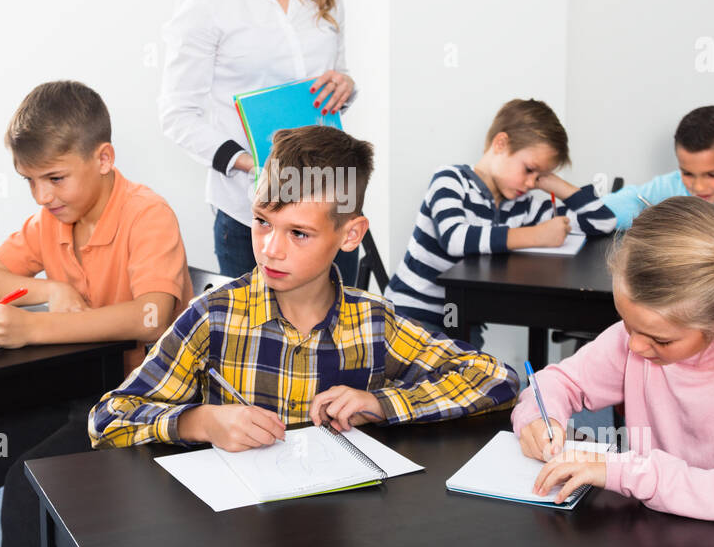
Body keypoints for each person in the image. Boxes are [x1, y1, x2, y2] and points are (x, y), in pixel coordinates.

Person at [89, 125, 518, 451]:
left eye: (299, 233)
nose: (270, 249)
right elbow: (107, 419)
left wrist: (382, 404)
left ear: (350, 236)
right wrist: (200, 422)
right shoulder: (213, 316)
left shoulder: (373, 320)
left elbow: (496, 379)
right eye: (262, 222)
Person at [0, 80, 193, 547]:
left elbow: (150, 317)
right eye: (29, 180)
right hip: (74, 391)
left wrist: (34, 325)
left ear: (103, 159)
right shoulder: (50, 219)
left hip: (138, 404)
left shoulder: (148, 214)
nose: (41, 196)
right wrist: (48, 287)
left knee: (27, 484)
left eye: (54, 178)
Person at [513, 197, 714, 547]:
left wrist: (631, 473)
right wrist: (540, 416)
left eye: (660, 339)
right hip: (649, 530)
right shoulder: (634, 340)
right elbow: (558, 382)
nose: (636, 347)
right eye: (628, 324)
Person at [159, 0, 358, 282]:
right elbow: (177, 116)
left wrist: (345, 84)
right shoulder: (208, 2)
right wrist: (252, 162)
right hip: (252, 215)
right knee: (260, 348)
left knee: (339, 345)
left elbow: (338, 77)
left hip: (330, 206)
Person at [384, 99, 616, 337]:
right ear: (501, 144)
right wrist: (536, 235)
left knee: (472, 367)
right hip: (410, 316)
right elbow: (454, 238)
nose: (530, 183)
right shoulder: (450, 180)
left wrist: (554, 183)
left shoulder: (522, 207)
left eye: (540, 176)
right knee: (463, 368)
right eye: (528, 169)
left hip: (460, 317)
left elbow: (603, 222)